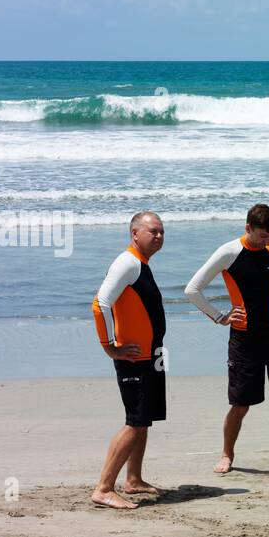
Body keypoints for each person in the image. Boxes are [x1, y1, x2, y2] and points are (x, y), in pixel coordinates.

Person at [184, 204, 269, 477]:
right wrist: (219, 316)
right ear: (248, 228)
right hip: (244, 338)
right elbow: (193, 290)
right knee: (241, 405)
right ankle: (227, 454)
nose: (266, 241)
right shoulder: (229, 253)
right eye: (262, 235)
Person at [90, 211, 168, 510]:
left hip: (152, 355)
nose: (159, 236)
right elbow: (101, 304)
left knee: (144, 421)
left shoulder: (140, 263)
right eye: (153, 231)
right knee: (134, 423)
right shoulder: (128, 262)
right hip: (134, 358)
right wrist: (109, 346)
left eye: (162, 231)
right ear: (135, 233)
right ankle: (104, 488)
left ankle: (133, 480)